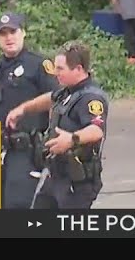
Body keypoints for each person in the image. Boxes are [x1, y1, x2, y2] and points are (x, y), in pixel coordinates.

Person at [7, 41, 110, 209]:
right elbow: (50, 99)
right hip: (56, 176)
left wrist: (72, 139)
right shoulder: (67, 91)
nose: (55, 73)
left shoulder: (91, 98)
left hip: (77, 182)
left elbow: (96, 130)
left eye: (60, 68)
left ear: (78, 69)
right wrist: (23, 109)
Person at [0, 11, 60, 209]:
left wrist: (53, 140)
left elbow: (57, 99)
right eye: (3, 33)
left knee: (17, 205)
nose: (9, 37)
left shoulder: (38, 65)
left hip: (26, 151)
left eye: (13, 31)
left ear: (23, 33)